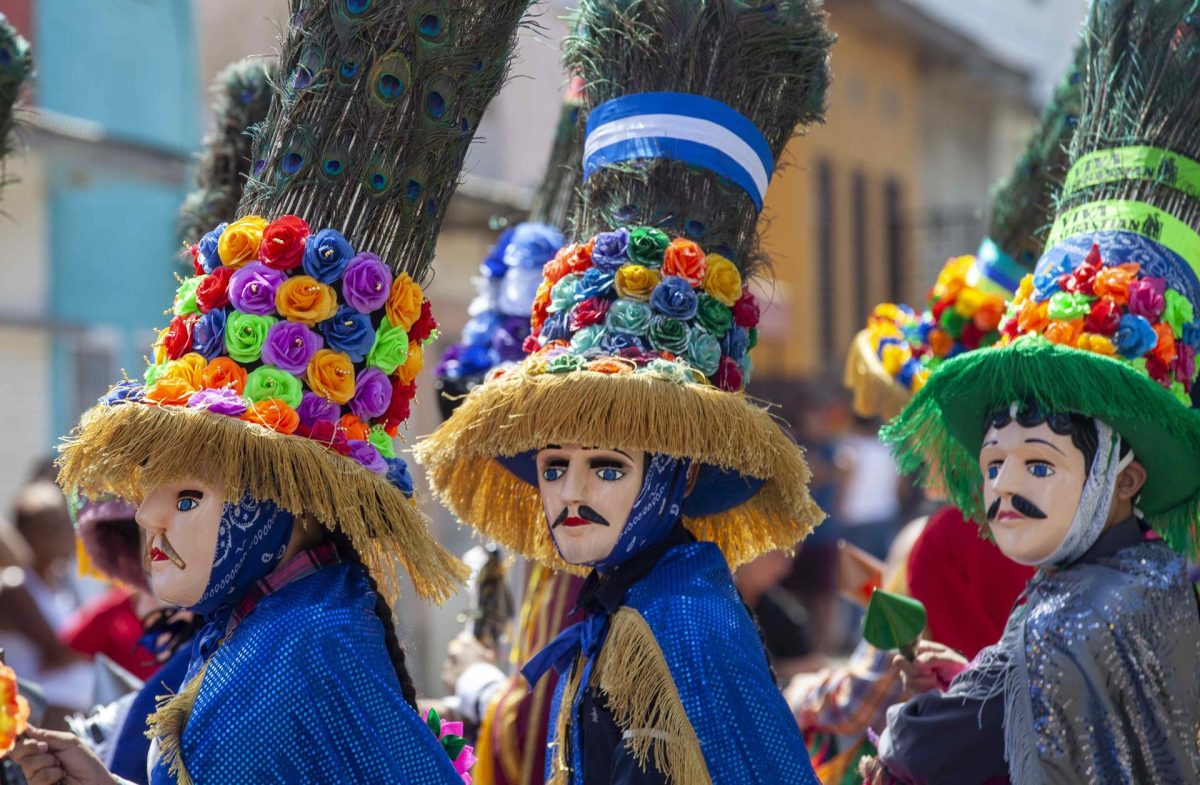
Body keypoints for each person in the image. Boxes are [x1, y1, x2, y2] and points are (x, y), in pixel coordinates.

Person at [11, 1, 536, 782]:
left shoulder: (305, 648)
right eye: (154, 491)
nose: (149, 513)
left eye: (187, 495)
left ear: (282, 495)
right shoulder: (270, 623)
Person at [416, 1, 835, 781]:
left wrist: (478, 688)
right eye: (552, 465)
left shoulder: (675, 624)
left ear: (674, 472)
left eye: (606, 466)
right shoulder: (632, 600)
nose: (571, 491)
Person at [864, 3, 1200, 781]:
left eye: (1039, 464)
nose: (1004, 489)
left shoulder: (1065, 617)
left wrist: (906, 730)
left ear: (1128, 475)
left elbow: (924, 747)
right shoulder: (1156, 580)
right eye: (996, 462)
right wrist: (973, 678)